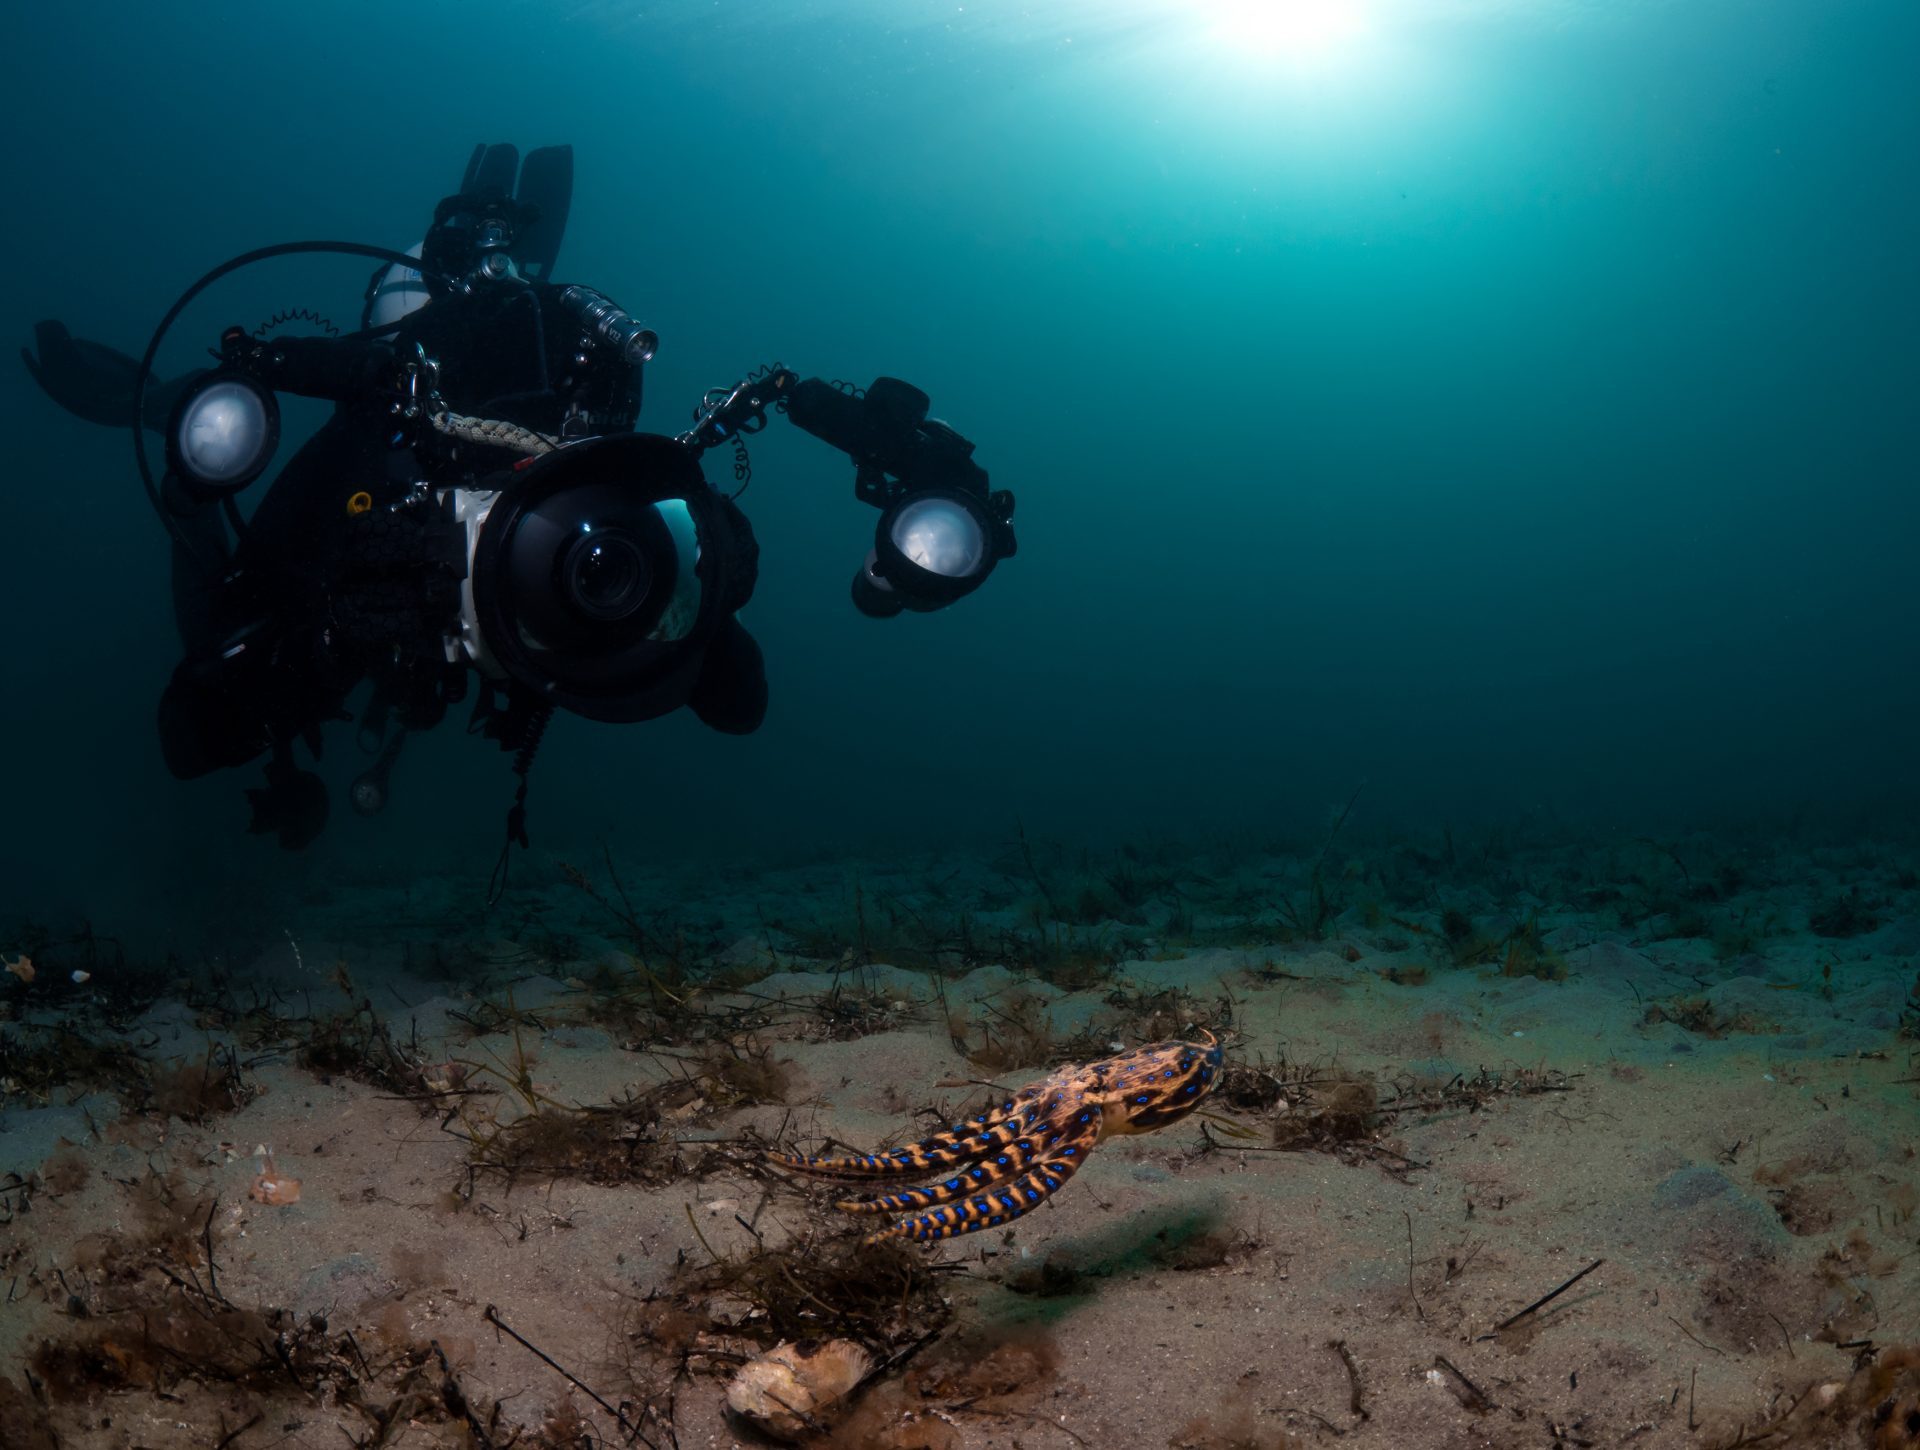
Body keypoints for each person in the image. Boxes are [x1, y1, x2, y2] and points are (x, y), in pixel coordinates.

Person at [22, 143, 1017, 881]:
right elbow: (193, 730)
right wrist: (231, 523)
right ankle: (161, 424)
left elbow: (735, 696)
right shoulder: (361, 458)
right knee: (222, 542)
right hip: (369, 614)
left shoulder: (599, 468)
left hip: (504, 618)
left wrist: (701, 585)